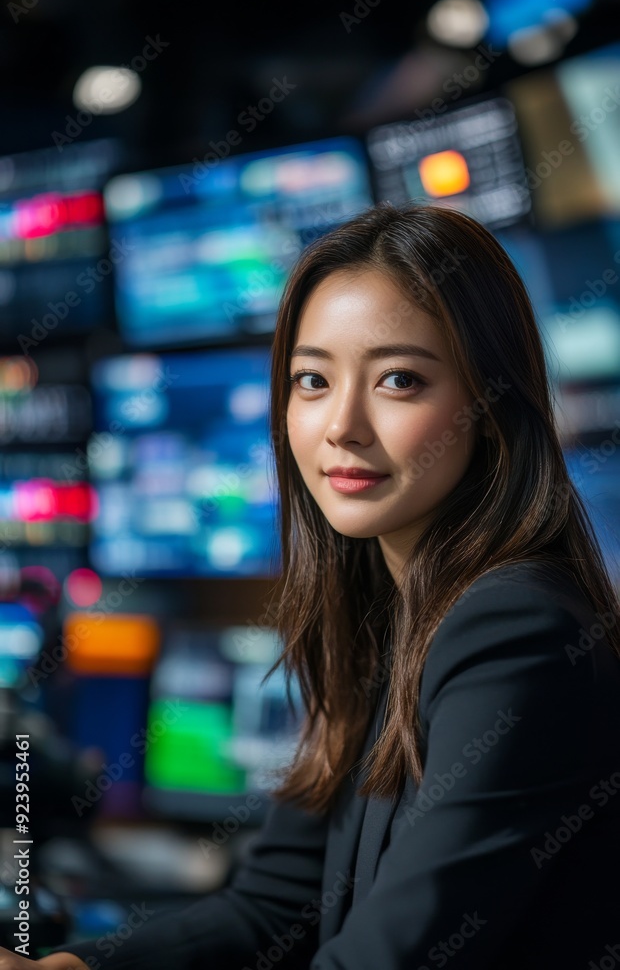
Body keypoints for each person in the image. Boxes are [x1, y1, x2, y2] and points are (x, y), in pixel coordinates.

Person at [3, 200, 620, 969]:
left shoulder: (516, 628)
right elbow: (279, 907)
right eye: (312, 380)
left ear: (490, 406)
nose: (341, 426)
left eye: (399, 380)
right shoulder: (383, 611)